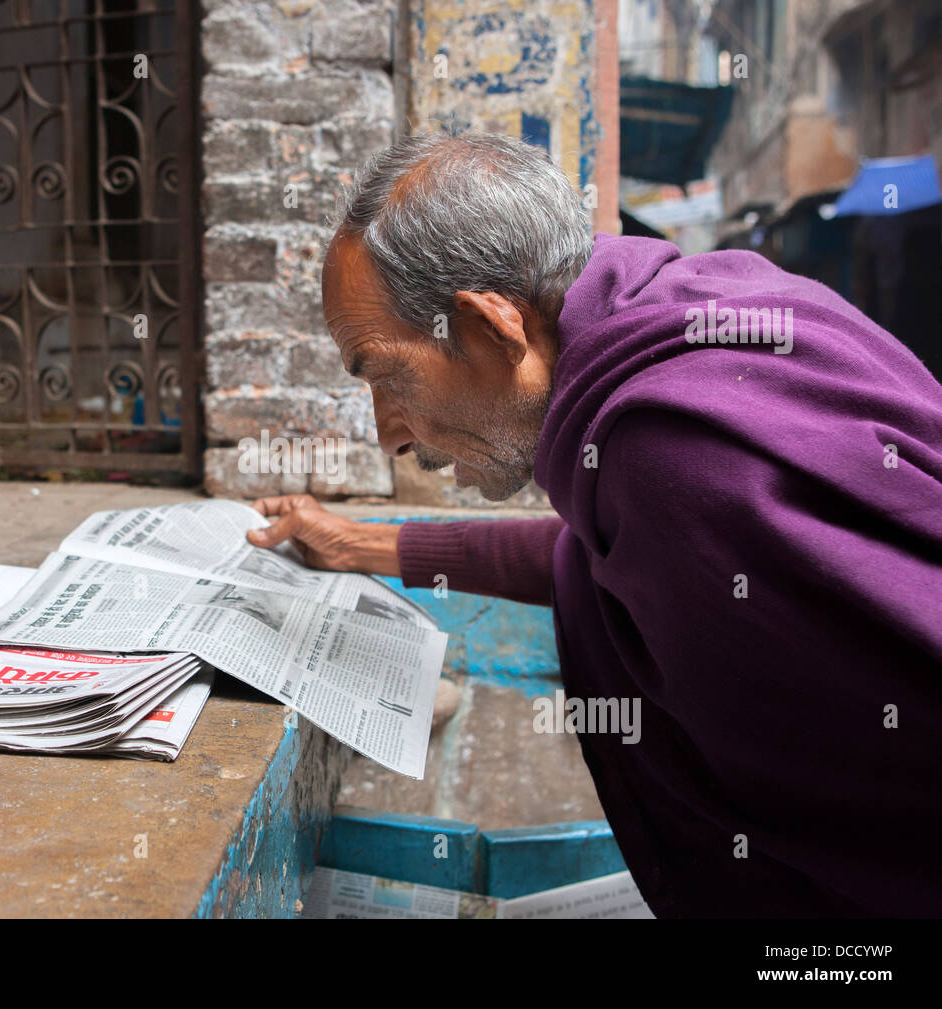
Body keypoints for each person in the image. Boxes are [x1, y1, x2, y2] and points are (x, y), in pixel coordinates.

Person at [245, 133, 942, 917]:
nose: (389, 433)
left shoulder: (672, 460)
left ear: (487, 328)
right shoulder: (680, 303)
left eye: (387, 376)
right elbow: (604, 552)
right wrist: (362, 542)